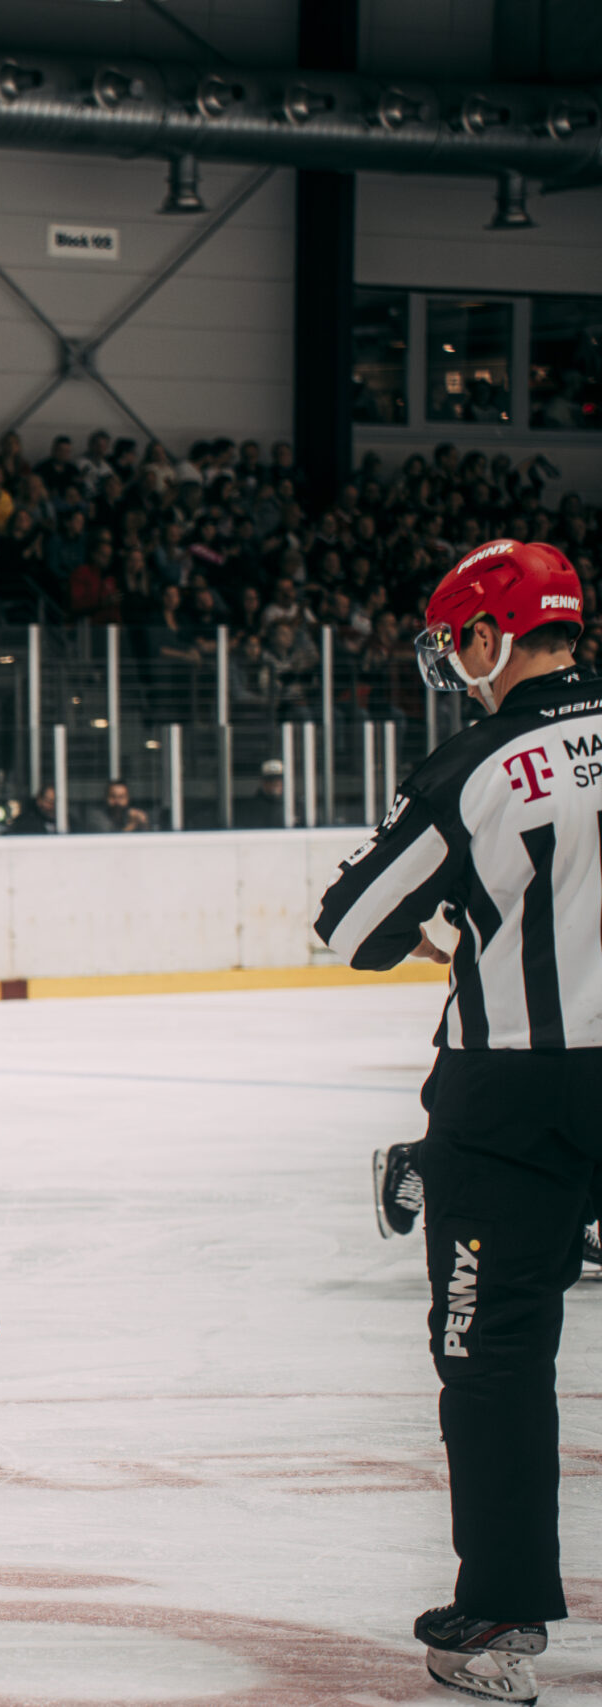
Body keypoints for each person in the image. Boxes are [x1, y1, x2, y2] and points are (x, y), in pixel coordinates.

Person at [314, 539, 601, 1706]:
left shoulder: (475, 766)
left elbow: (349, 926)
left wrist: (458, 932)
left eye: (459, 644)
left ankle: (500, 1615)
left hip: (515, 1105)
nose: (459, 668)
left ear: (490, 635)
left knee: (492, 1358)